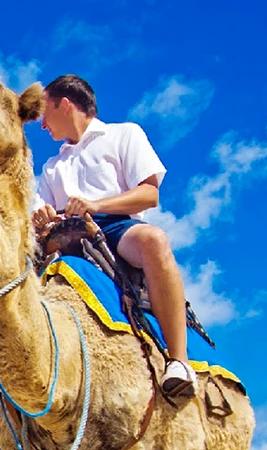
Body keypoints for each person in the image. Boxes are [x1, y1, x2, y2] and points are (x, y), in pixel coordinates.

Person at [30, 74, 197, 399]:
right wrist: (43, 216)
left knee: (154, 240)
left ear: (64, 104)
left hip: (117, 227)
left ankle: (179, 361)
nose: (42, 125)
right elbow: (41, 214)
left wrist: (95, 205)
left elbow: (149, 194)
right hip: (65, 240)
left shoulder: (124, 134)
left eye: (44, 112)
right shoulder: (52, 167)